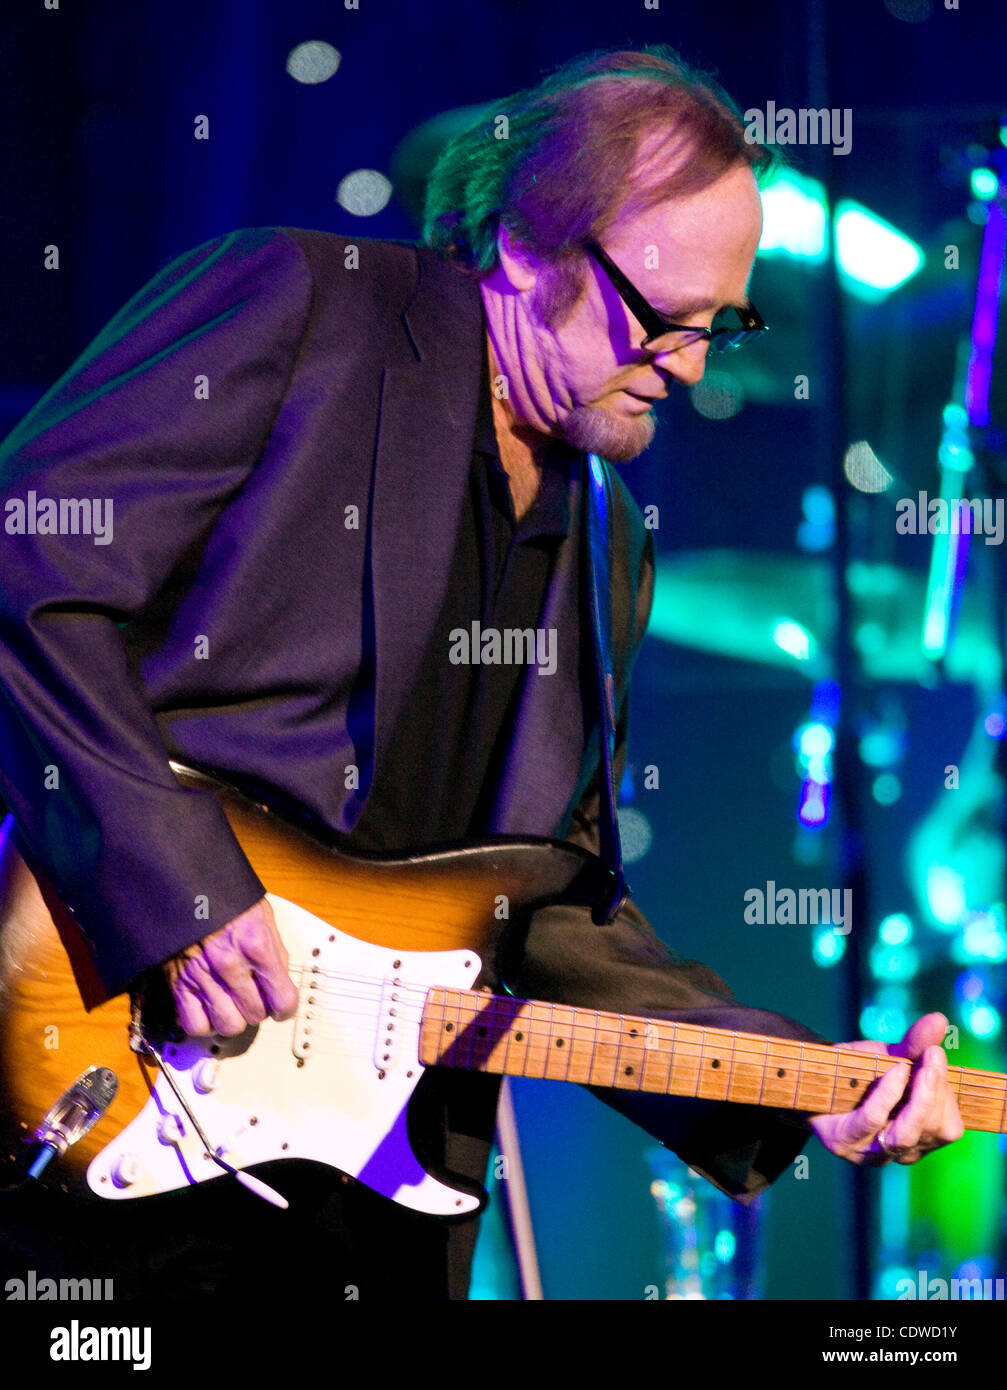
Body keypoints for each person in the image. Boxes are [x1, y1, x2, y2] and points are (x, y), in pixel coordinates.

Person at [0, 46, 962, 1301]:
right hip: (113, 1099)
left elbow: (548, 911)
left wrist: (811, 1088)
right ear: (523, 247)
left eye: (720, 325)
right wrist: (170, 884)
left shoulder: (611, 540)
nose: (687, 362)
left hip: (378, 1178)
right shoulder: (304, 306)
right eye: (656, 314)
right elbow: (33, 555)